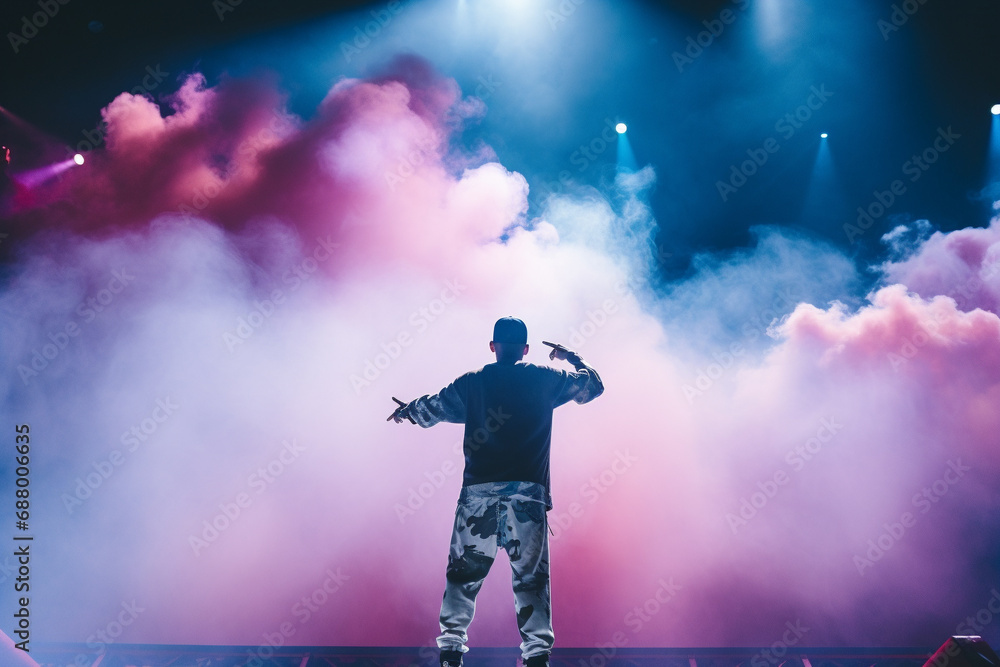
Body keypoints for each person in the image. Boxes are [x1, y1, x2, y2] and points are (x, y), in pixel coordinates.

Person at [389, 316, 604, 667]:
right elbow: (592, 385)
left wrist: (407, 411)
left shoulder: (472, 382)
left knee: (463, 576)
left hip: (479, 494)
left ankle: (451, 653)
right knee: (531, 580)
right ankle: (537, 657)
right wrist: (571, 356)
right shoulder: (545, 378)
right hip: (527, 495)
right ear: (526, 349)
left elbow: (433, 407)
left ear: (492, 347)